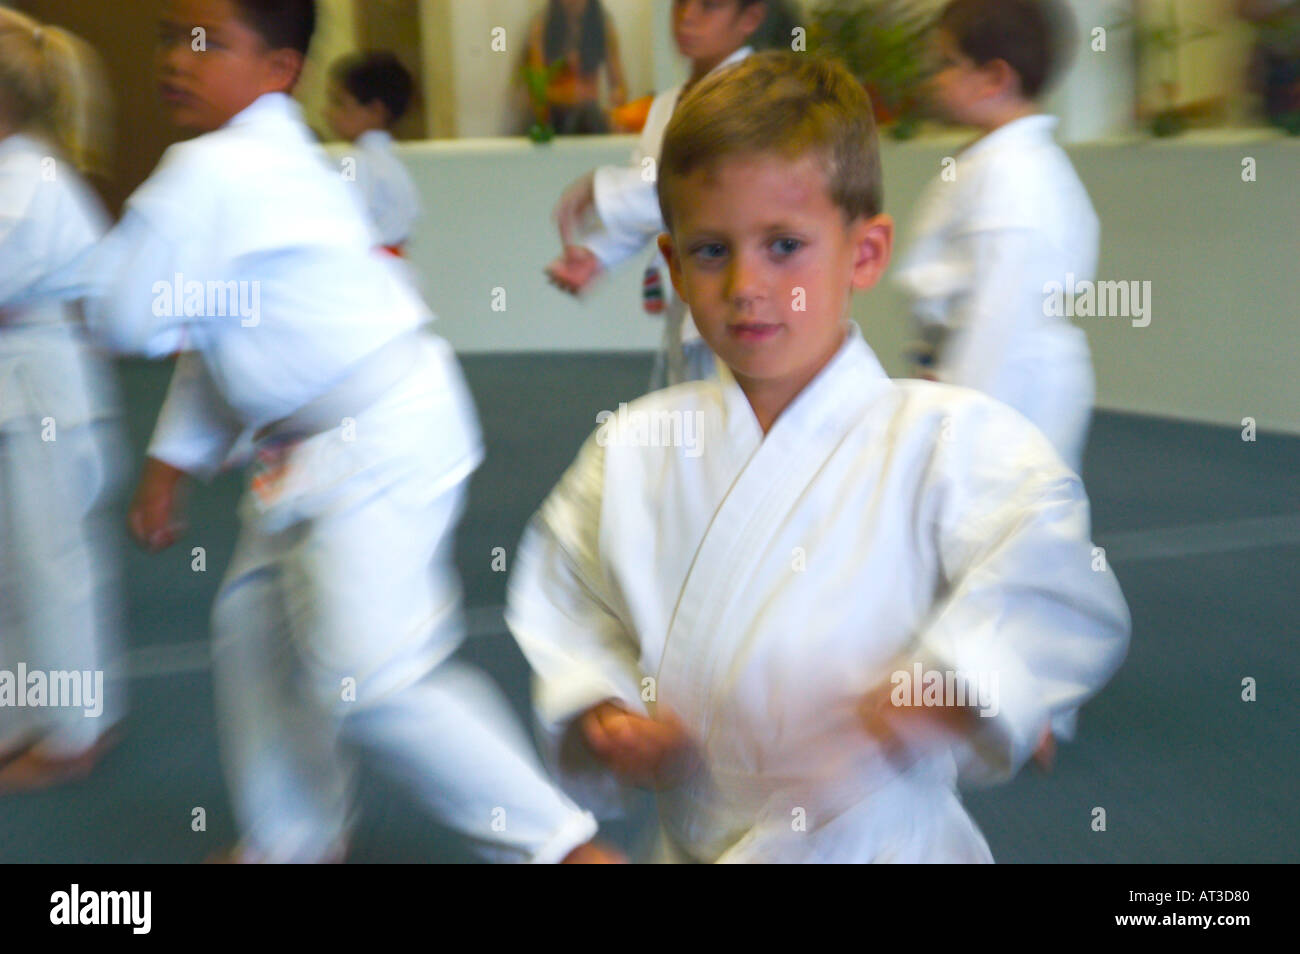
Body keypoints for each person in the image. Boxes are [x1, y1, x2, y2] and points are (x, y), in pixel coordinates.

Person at [507, 52, 1130, 863]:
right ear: (671, 264)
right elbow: (571, 603)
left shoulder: (949, 443)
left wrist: (936, 693)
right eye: (710, 251)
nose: (747, 287)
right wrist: (608, 711)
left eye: (785, 245)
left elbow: (1055, 583)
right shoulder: (629, 449)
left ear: (864, 254)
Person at [41, 0, 613, 863]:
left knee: (375, 679)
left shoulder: (213, 170)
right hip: (311, 443)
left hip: (378, 433)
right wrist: (172, 459)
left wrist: (80, 266)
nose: (178, 59)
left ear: (278, 70)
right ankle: (294, 837)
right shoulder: (254, 163)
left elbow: (130, 319)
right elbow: (220, 326)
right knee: (255, 626)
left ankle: (561, 845)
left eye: (207, 43)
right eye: (170, 38)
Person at [0, 9, 125, 792]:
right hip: (23, 388)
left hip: (44, 396)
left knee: (52, 565)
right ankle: (21, 712)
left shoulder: (29, 181)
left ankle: (75, 729)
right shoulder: (20, 171)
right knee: (14, 564)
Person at [895, 0, 1098, 475]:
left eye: (946, 64)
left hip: (1008, 379)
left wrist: (961, 422)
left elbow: (997, 317)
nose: (934, 78)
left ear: (994, 78)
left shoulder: (1016, 179)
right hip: (980, 367)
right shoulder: (995, 163)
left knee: (1003, 529)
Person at [546, 0, 773, 390]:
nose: (687, 17)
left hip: (749, 297)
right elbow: (653, 197)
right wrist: (600, 254)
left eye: (710, 6)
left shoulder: (758, 95)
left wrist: (599, 188)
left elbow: (701, 192)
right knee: (693, 422)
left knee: (740, 421)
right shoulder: (667, 104)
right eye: (680, 3)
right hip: (691, 294)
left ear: (750, 17)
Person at [325, 51, 420, 257]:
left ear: (376, 111)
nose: (328, 112)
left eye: (339, 103)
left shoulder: (354, 162)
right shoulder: (395, 164)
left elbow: (344, 220)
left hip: (364, 266)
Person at [527, 0, 627, 136]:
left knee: (591, 116)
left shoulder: (602, 24)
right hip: (554, 116)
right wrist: (566, 96)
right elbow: (536, 90)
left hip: (589, 116)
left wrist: (616, 104)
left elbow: (618, 84)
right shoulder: (543, 25)